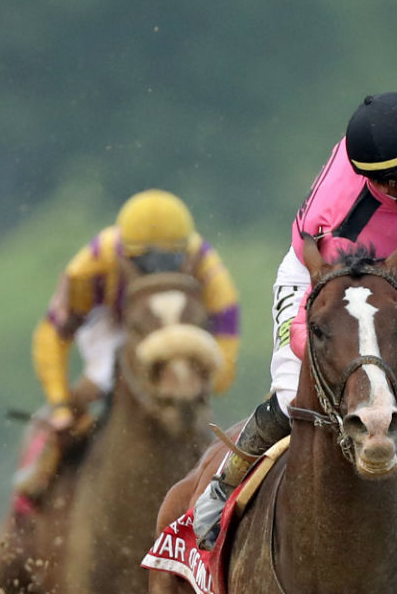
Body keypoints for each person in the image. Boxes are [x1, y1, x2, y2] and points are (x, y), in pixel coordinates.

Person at [193, 30, 397, 550]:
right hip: (321, 276)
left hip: (396, 266)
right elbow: (315, 325)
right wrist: (338, 352)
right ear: (386, 185)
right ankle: (222, 487)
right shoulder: (338, 227)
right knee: (292, 394)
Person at [14, 189, 240, 501]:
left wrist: (210, 380)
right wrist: (61, 403)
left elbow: (226, 336)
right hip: (111, 322)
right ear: (123, 255)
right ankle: (49, 461)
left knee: (188, 386)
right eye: (145, 263)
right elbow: (51, 335)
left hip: (174, 321)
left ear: (186, 252)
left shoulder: (206, 265)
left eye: (171, 261)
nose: (159, 270)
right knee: (101, 377)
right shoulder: (90, 266)